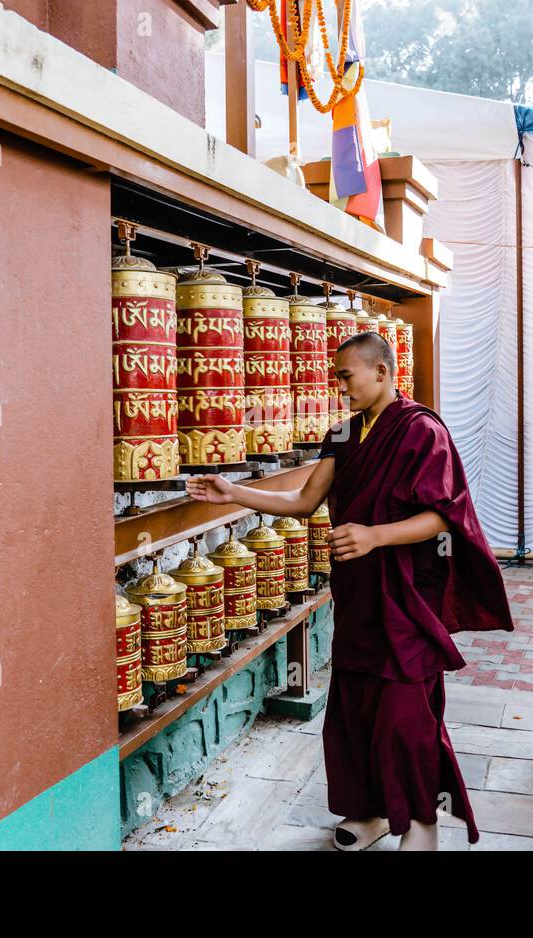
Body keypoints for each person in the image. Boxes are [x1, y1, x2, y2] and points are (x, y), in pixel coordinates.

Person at [186, 331, 513, 851]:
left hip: (406, 595)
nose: (340, 387)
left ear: (382, 372)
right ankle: (372, 812)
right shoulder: (341, 435)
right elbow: (304, 499)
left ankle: (423, 825)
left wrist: (375, 535)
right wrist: (235, 492)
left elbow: (445, 516)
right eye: (337, 377)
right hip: (359, 595)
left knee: (406, 716)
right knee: (357, 707)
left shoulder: (421, 431)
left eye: (346, 376)